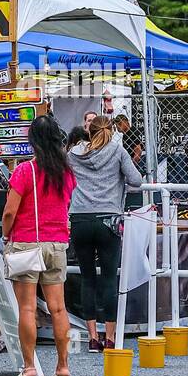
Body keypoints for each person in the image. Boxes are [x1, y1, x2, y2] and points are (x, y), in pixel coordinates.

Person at [2, 115, 76, 376]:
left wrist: (6, 234)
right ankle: (63, 366)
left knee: (27, 307)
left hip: (26, 242)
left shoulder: (25, 171)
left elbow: (10, 211)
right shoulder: (66, 173)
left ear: (32, 141)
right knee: (58, 308)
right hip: (56, 243)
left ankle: (30, 367)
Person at [68, 115, 142, 351]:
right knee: (109, 278)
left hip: (80, 218)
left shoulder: (74, 154)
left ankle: (91, 337)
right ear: (111, 131)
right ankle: (109, 337)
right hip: (108, 219)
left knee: (87, 277)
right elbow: (136, 180)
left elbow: (64, 177)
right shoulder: (117, 151)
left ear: (90, 132)